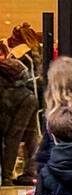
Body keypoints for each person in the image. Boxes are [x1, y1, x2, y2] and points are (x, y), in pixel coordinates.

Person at [0, 46, 41, 185]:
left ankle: (6, 176)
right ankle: (30, 173)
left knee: (16, 136)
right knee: (31, 136)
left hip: (21, 101)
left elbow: (12, 138)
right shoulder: (15, 63)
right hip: (28, 99)